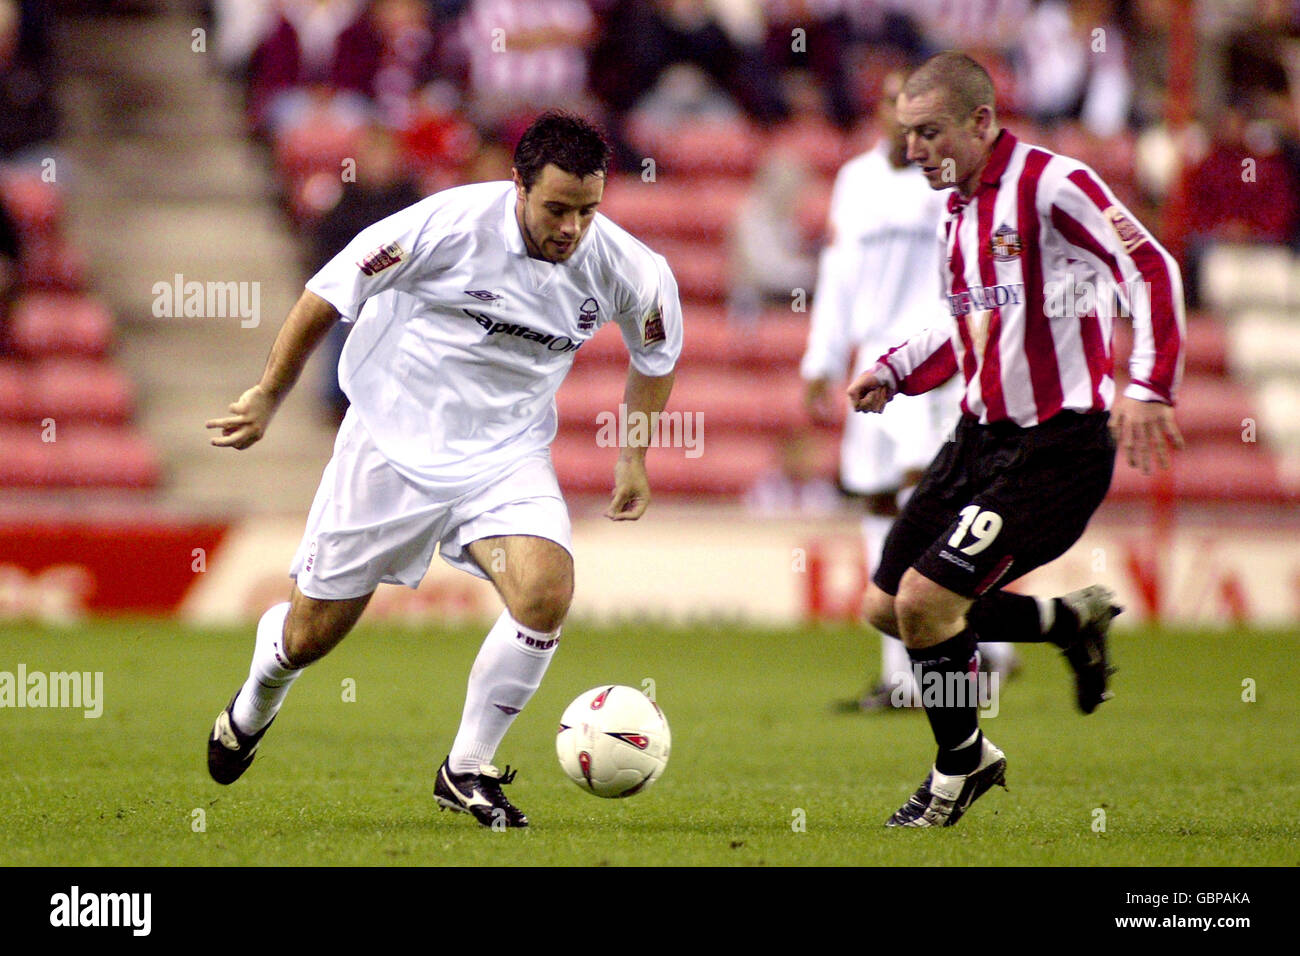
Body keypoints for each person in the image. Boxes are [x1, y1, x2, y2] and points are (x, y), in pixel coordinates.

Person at [205, 111, 682, 829]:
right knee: (310, 636)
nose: (572, 228)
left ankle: (466, 770)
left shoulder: (629, 268)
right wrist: (270, 393)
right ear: (516, 185)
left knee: (546, 592)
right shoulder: (444, 227)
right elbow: (328, 293)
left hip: (505, 455)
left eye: (588, 210)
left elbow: (655, 358)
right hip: (391, 444)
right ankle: (256, 698)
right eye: (556, 208)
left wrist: (634, 457)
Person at [846, 52, 1185, 828]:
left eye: (929, 133)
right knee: (886, 605)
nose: (913, 151)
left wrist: (1148, 384)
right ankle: (1068, 622)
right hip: (977, 438)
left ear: (982, 121)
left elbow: (1151, 266)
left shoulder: (1051, 185)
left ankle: (958, 769)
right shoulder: (960, 209)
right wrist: (897, 371)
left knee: (928, 605)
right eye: (906, 135)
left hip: (1055, 447)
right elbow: (970, 320)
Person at [802, 72, 1017, 714]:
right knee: (876, 503)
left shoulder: (950, 181)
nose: (909, 129)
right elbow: (837, 276)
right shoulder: (853, 181)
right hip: (874, 360)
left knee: (930, 504)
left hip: (932, 358)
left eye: (925, 120)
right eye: (900, 110)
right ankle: (906, 672)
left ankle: (968, 656)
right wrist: (820, 357)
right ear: (881, 109)